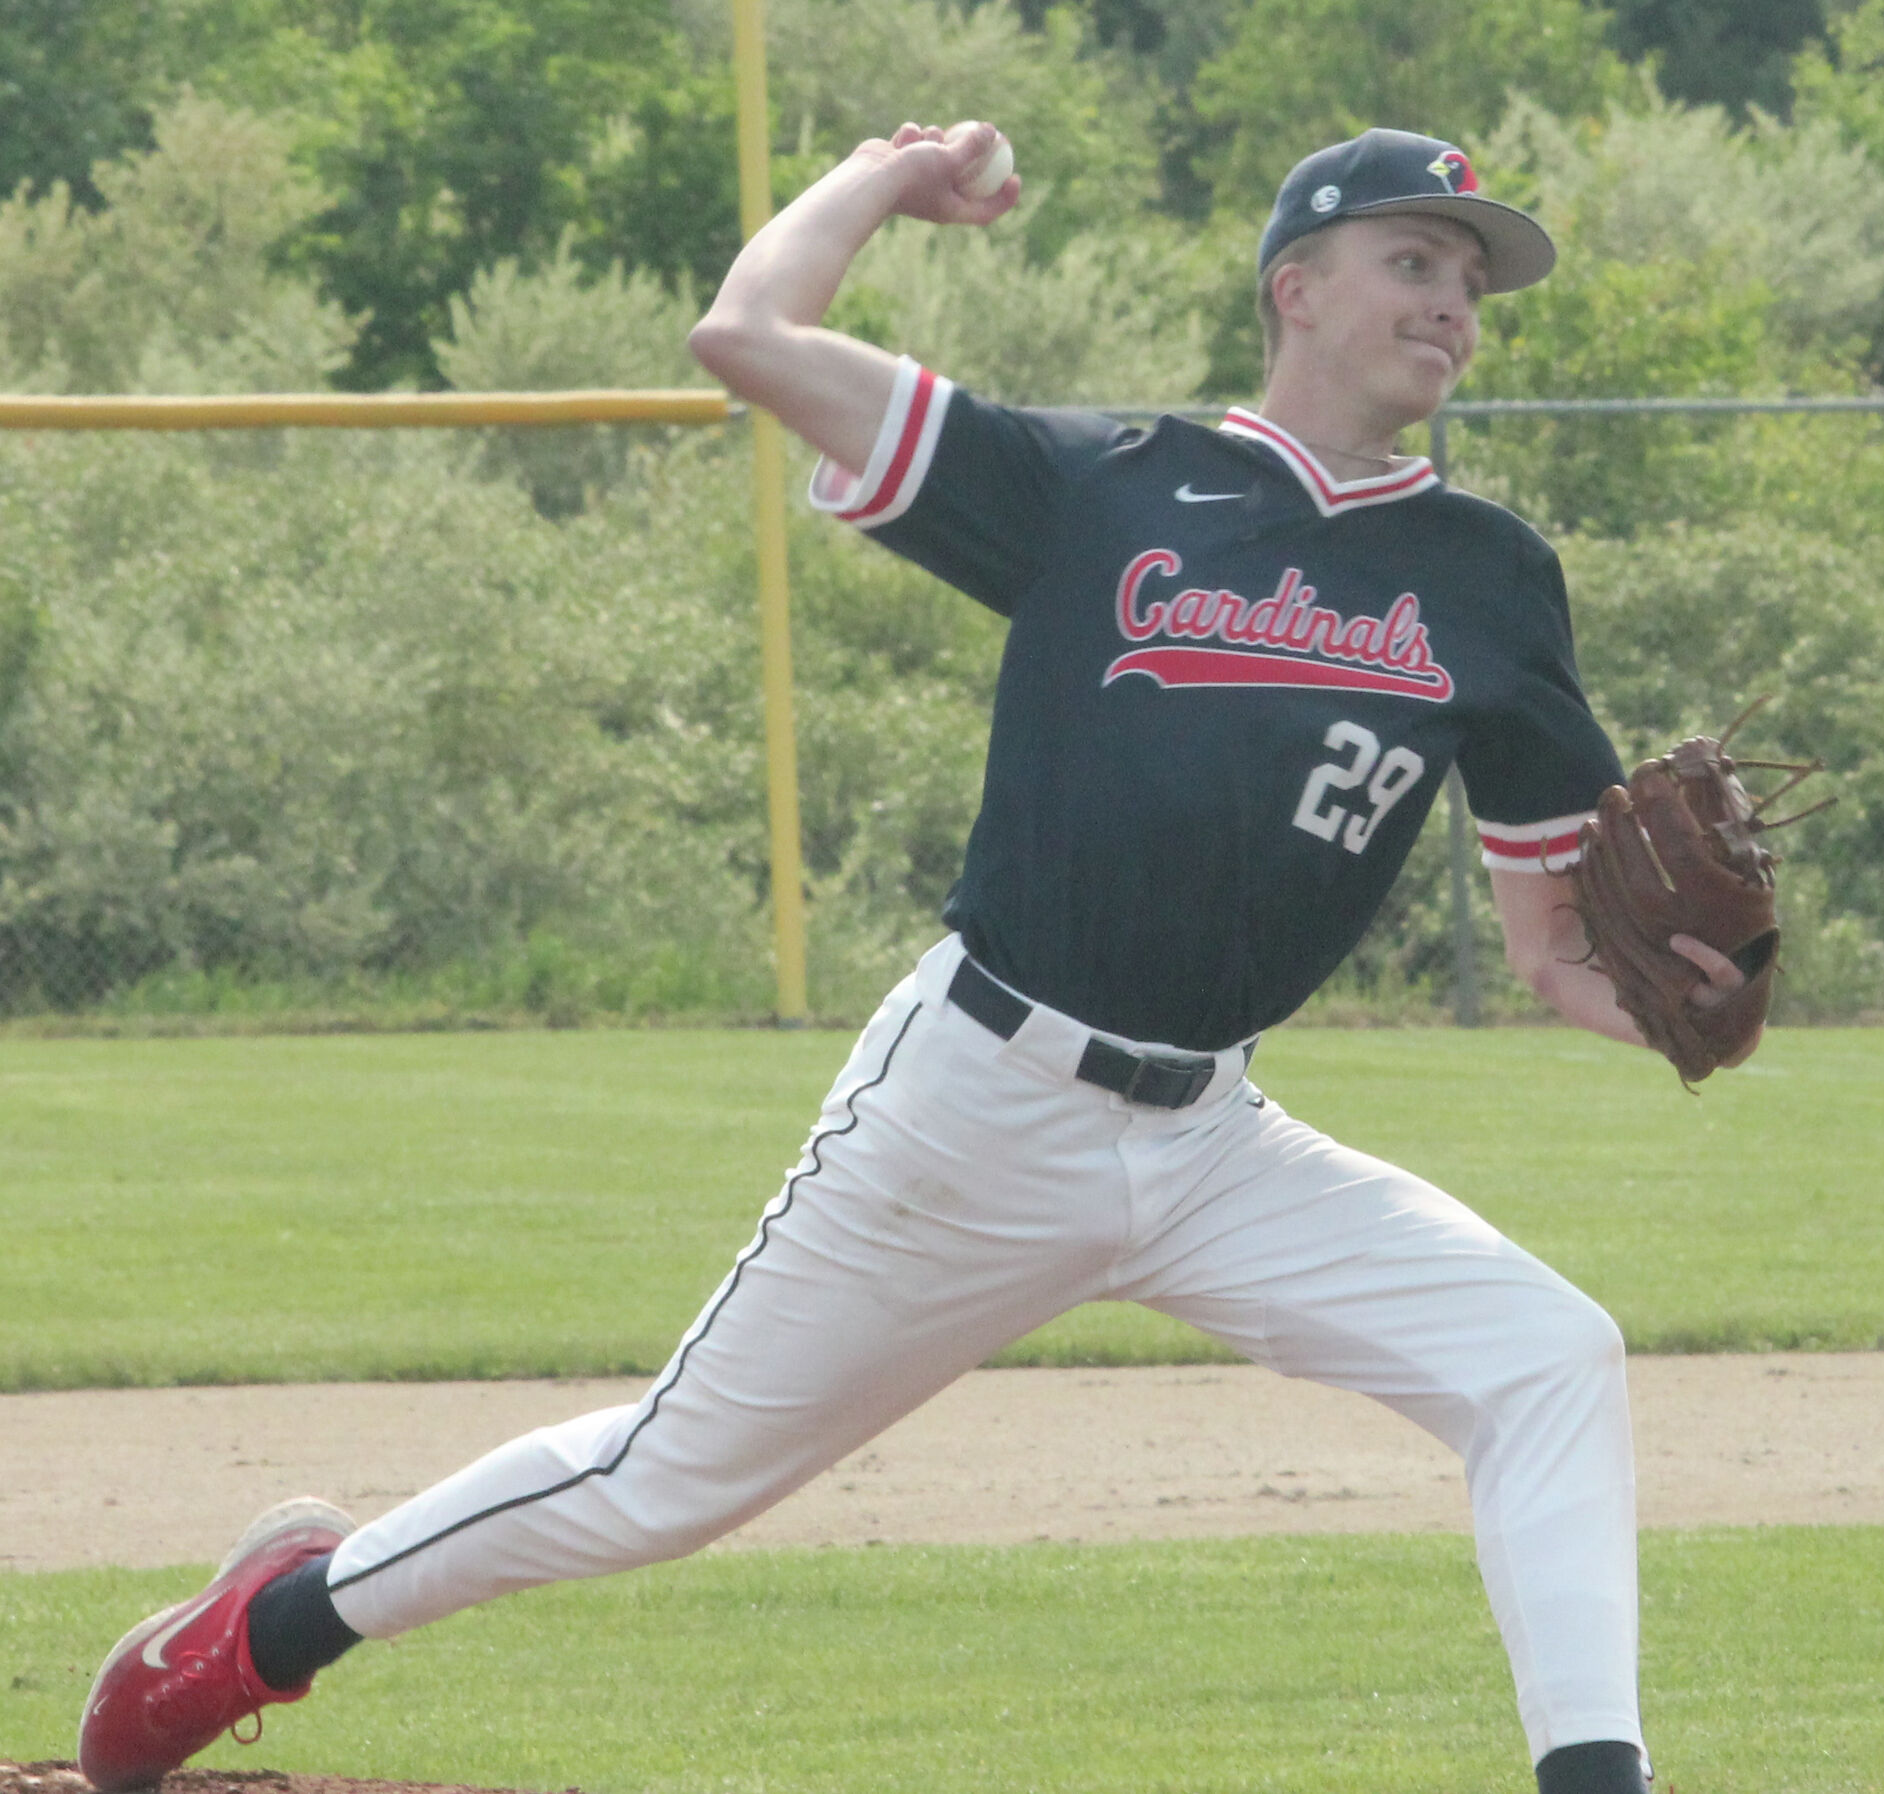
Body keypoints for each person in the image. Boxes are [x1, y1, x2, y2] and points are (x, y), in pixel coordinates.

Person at [77, 122, 1763, 1794]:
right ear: (1294, 289)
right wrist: (887, 177)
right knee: (662, 1480)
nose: (1454, 302)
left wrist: (1702, 1006)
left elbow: (1555, 947)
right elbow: (746, 335)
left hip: (1218, 1145)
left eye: (1472, 280)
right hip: (977, 1105)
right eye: (1415, 261)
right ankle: (254, 1636)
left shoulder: (1493, 580)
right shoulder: (1102, 483)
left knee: (1546, 1353)